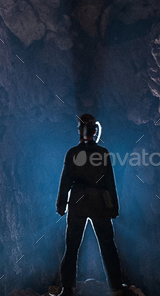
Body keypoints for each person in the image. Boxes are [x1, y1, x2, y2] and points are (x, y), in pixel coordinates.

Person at [56, 114, 127, 296]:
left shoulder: (72, 153)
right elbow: (110, 182)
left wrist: (61, 204)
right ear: (95, 131)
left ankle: (67, 288)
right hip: (99, 202)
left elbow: (65, 181)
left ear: (79, 131)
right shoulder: (102, 153)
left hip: (78, 200)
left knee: (72, 245)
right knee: (107, 245)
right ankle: (117, 288)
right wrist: (114, 207)